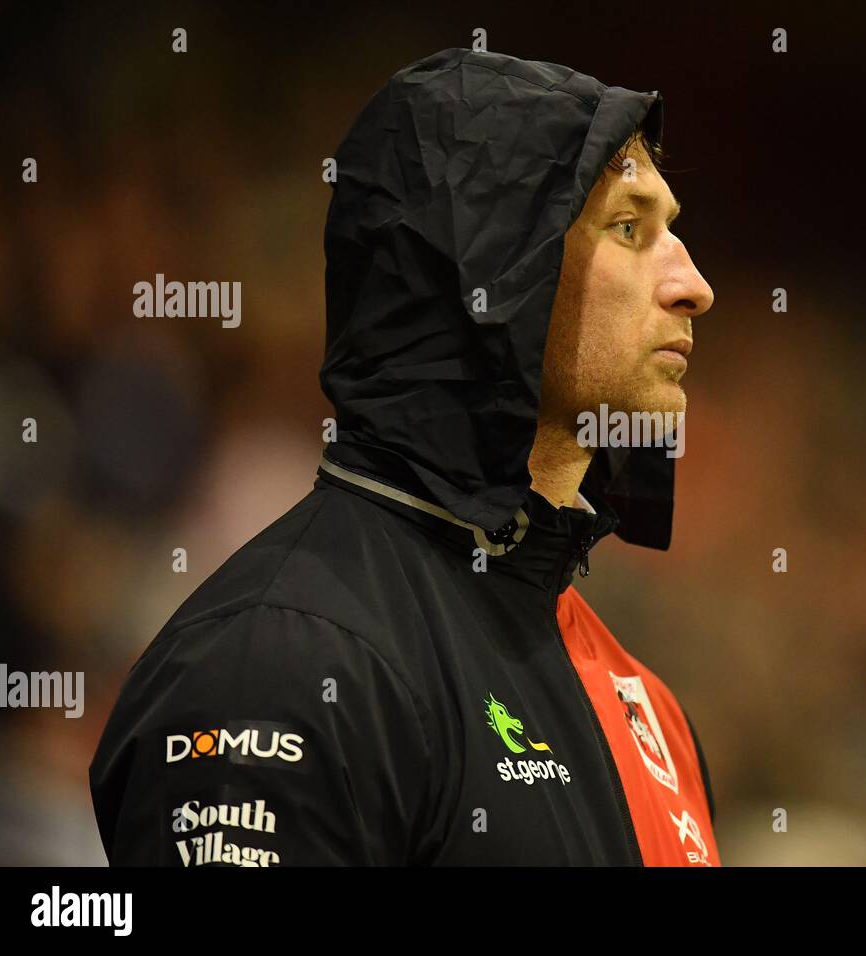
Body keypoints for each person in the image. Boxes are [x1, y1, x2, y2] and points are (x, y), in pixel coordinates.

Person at [89, 46, 718, 866]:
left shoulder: (651, 709)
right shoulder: (282, 664)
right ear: (484, 271)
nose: (694, 284)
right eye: (629, 228)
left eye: (675, 230)